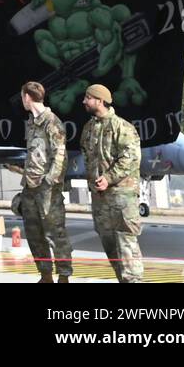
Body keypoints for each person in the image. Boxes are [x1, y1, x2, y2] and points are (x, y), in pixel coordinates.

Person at [80, 83, 143, 283]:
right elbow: (87, 156)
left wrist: (108, 178)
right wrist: (95, 181)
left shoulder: (122, 127)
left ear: (99, 100)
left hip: (121, 197)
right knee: (109, 244)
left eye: (88, 98)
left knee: (126, 243)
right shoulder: (88, 128)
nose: (84, 101)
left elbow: (130, 158)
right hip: (100, 198)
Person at [18, 80, 73, 283]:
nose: (22, 101)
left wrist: (50, 182)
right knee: (34, 234)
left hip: (47, 188)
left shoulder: (52, 121)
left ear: (27, 97)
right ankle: (45, 274)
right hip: (30, 187)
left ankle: (64, 276)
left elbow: (60, 155)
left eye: (22, 96)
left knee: (55, 233)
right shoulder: (32, 123)